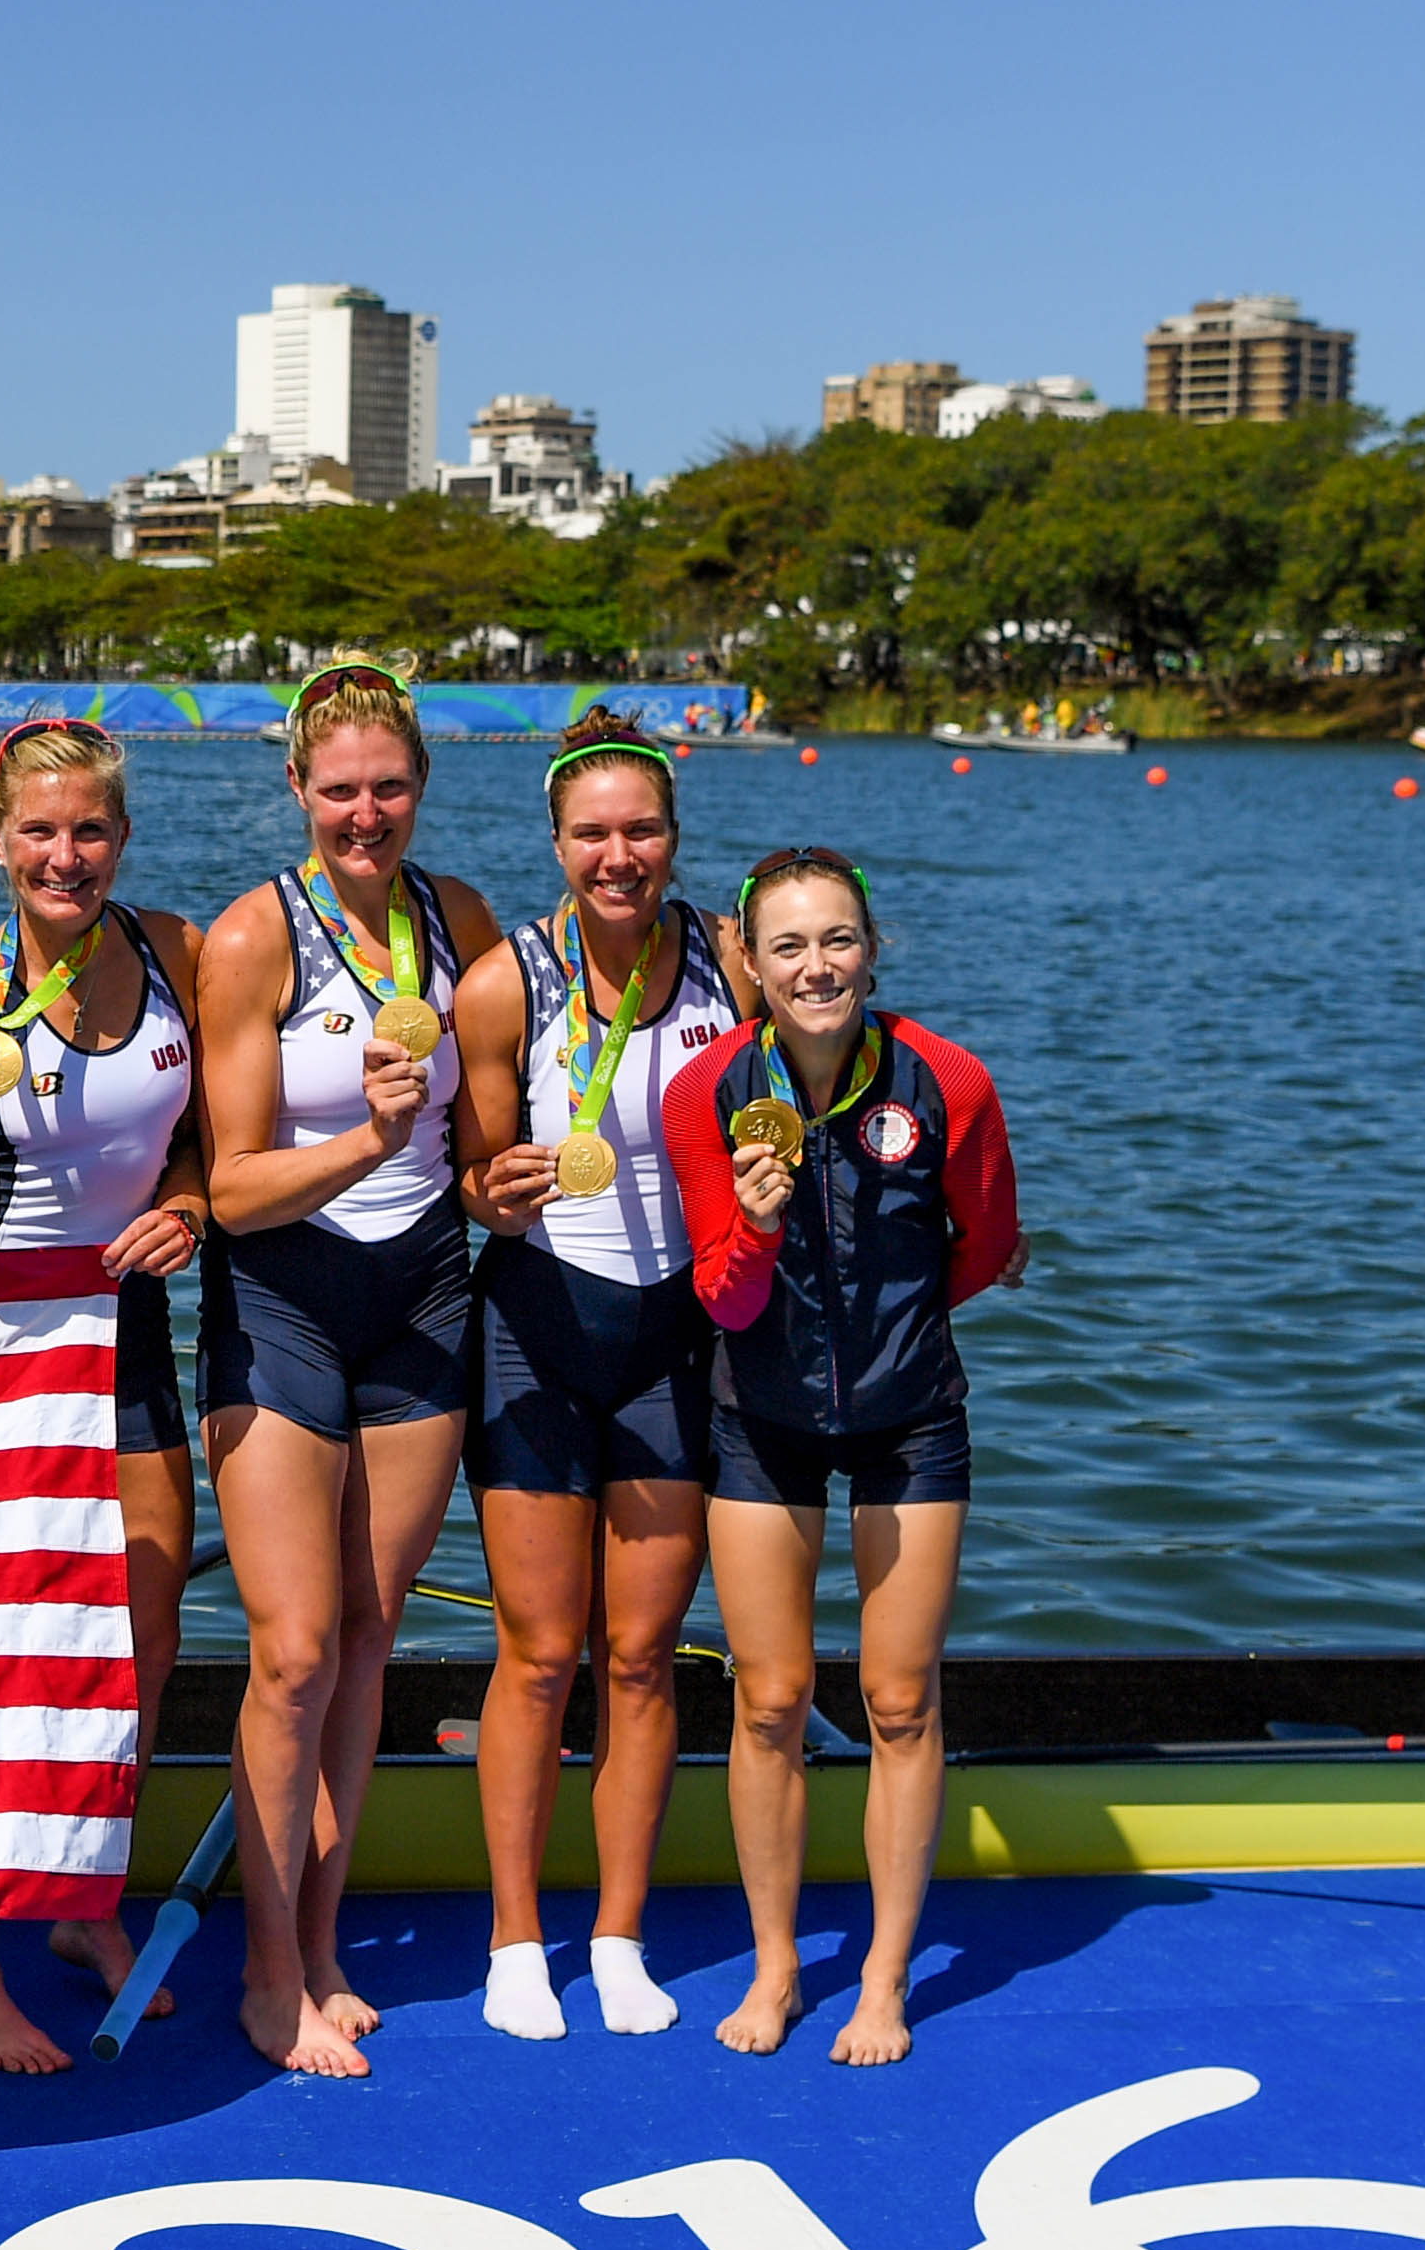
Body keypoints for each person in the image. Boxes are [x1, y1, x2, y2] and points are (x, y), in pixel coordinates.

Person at [0, 717, 209, 2074]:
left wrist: (188, 1207)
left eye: (88, 831)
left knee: (142, 1625)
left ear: (119, 840)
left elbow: (200, 1146)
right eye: (40, 833)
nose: (65, 856)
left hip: (122, 1315)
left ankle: (85, 1901)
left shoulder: (176, 954)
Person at [190, 659, 499, 2079]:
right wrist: (370, 1146)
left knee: (373, 1639)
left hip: (426, 1289)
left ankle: (321, 1942)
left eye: (388, 789)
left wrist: (504, 1188)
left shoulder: (463, 923)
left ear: (419, 791)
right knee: (294, 1649)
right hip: (287, 1297)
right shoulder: (255, 938)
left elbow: (484, 1142)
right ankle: (263, 1974)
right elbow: (234, 1188)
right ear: (297, 793)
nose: (363, 814)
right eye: (338, 791)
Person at [661, 848, 1018, 2066]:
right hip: (758, 1415)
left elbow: (984, 1243)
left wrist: (894, 1332)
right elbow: (719, 1296)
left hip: (910, 1417)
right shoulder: (706, 1090)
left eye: (839, 940)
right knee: (768, 1701)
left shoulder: (948, 1080)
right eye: (790, 946)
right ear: (748, 963)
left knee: (900, 1697)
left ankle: (881, 1976)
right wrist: (756, 1225)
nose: (817, 966)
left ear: (872, 948)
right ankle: (773, 1964)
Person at [446, 711, 752, 2041]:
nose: (618, 855)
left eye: (641, 831)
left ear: (673, 839)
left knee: (640, 1655)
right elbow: (474, 1174)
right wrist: (494, 1189)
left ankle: (619, 1932)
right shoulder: (506, 979)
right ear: (556, 843)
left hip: (675, 1339)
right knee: (540, 1648)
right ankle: (518, 1934)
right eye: (592, 834)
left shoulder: (730, 973)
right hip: (536, 1324)